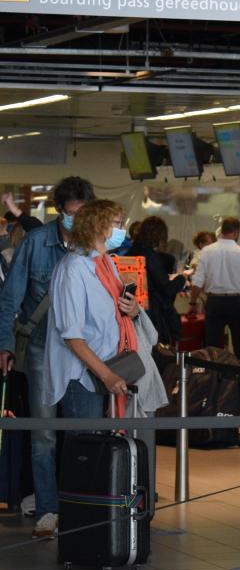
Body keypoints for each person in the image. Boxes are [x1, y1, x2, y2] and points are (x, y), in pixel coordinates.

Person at [0, 176, 95, 538]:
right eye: (72, 214)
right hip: (40, 349)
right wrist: (5, 345)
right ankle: (48, 509)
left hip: (84, 352)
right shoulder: (36, 244)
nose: (77, 221)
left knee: (81, 433)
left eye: (83, 214)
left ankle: (79, 506)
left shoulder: (96, 246)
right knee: (43, 435)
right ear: (60, 211)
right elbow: (10, 297)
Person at [43, 200, 142, 504]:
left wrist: (133, 309)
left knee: (100, 449)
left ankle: (101, 513)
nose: (119, 230)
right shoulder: (73, 268)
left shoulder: (106, 264)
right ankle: (80, 517)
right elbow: (72, 335)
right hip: (84, 376)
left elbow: (113, 316)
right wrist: (107, 374)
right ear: (98, 225)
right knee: (84, 452)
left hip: (108, 369)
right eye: (115, 222)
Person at [189, 217, 240, 366]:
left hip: (214, 301)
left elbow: (197, 281)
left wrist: (192, 302)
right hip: (236, 302)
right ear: (237, 232)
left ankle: (213, 382)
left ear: (222, 230)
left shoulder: (206, 251)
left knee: (212, 347)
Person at [129, 216, 187, 346]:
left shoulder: (131, 252)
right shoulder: (150, 256)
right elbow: (167, 288)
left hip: (134, 310)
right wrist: (181, 278)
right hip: (151, 313)